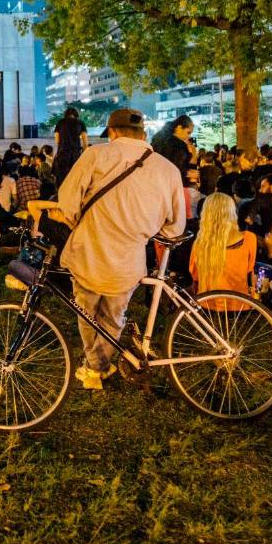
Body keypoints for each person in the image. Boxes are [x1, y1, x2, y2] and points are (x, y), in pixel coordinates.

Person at [54, 108, 186, 389]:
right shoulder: (168, 170)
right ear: (144, 134)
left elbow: (66, 203)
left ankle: (95, 367)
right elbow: (175, 228)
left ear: (112, 132)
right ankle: (98, 366)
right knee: (114, 316)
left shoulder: (95, 156)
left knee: (87, 313)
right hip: (129, 260)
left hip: (89, 251)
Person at [189, 193, 256, 298]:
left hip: (206, 304)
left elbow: (195, 275)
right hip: (240, 304)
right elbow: (249, 270)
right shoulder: (249, 238)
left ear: (206, 214)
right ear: (232, 212)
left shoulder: (200, 244)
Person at [52, 107, 88, 187]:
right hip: (75, 155)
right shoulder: (80, 123)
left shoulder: (60, 122)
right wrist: (84, 152)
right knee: (75, 178)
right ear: (76, 115)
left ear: (66, 114)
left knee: (62, 178)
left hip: (62, 153)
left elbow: (57, 140)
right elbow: (85, 140)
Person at [150, 114, 194, 180]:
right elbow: (175, 167)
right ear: (179, 128)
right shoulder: (178, 145)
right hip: (169, 181)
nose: (189, 136)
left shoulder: (158, 137)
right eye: (188, 132)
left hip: (154, 178)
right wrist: (187, 173)